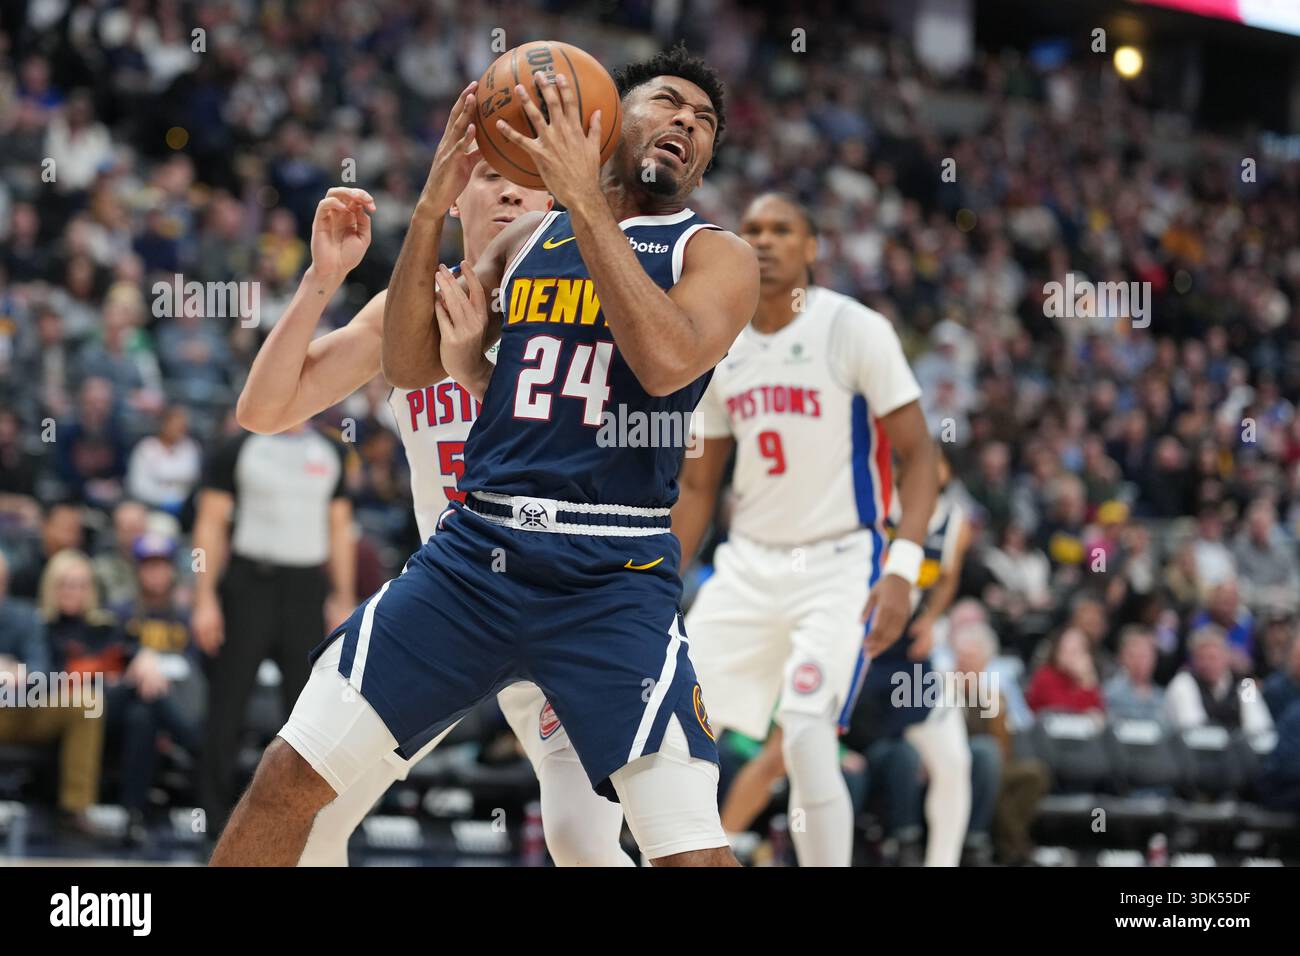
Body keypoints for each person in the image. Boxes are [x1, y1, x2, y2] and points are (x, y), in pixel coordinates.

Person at [212, 45, 757, 867]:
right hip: (469, 565)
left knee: (621, 843)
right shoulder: (505, 255)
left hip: (605, 575)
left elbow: (664, 360)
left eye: (705, 120)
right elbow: (384, 374)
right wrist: (395, 237)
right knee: (292, 784)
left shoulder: (706, 252)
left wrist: (579, 202)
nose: (688, 122)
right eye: (671, 104)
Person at [234, 161, 631, 866]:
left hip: (567, 597)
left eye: (530, 176)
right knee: (309, 815)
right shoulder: (409, 307)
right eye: (488, 175)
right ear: (453, 201)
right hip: (451, 602)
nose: (509, 190)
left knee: (580, 843)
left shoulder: (586, 307)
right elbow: (264, 410)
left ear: (556, 196)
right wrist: (322, 279)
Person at [674, 193, 939, 866]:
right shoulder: (720, 346)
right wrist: (655, 579)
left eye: (782, 229)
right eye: (753, 228)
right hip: (748, 563)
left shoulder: (854, 329)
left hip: (839, 562)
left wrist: (903, 572)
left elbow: (922, 459)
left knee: (804, 729)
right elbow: (699, 485)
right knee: (671, 718)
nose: (763, 240)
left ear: (812, 247)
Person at [191, 417, 356, 836]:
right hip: (248, 585)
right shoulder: (239, 447)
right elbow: (210, 523)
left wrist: (343, 596)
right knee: (227, 704)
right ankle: (213, 823)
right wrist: (204, 597)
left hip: (305, 590)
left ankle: (299, 821)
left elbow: (339, 529)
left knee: (307, 711)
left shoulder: (332, 452)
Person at [0, 548, 106, 835]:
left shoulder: (23, 616)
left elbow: (42, 673)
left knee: (87, 701)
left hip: (19, 709)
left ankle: (75, 809)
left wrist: (20, 673)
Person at [1164, 626, 1273, 734]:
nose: (1208, 664)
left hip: (1238, 748)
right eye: (1201, 658)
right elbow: (1191, 725)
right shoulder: (1183, 683)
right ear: (1193, 661)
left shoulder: (1246, 685)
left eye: (1213, 658)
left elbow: (1259, 725)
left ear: (1227, 657)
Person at [1025, 628, 1104, 715]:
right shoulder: (1045, 676)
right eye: (1065, 649)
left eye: (1075, 651)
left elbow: (1098, 714)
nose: (1069, 655)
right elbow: (1064, 711)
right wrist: (1085, 683)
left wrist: (1087, 681)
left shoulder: (1086, 678)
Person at [1102, 627, 1165, 723]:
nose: (1138, 662)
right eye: (1133, 655)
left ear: (1154, 659)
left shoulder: (1162, 698)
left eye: (1144, 656)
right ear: (1121, 658)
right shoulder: (1109, 693)